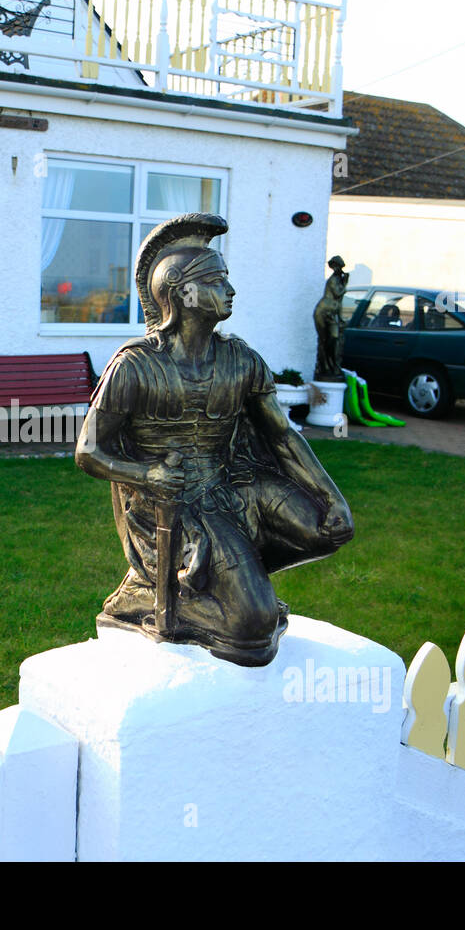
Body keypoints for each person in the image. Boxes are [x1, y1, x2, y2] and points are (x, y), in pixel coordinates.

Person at [75, 214, 353, 667]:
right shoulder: (135, 365)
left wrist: (331, 495)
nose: (231, 289)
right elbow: (88, 451)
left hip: (237, 487)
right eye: (217, 279)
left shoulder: (241, 359)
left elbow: (282, 437)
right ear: (181, 292)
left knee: (330, 527)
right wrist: (147, 473)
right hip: (177, 506)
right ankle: (199, 596)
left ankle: (230, 581)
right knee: (253, 634)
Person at [313, 255, 349, 380]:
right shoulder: (333, 280)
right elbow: (338, 293)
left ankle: (332, 367)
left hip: (331, 314)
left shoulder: (338, 280)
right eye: (337, 266)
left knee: (334, 339)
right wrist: (345, 284)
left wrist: (340, 318)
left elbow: (339, 303)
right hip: (322, 312)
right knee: (324, 340)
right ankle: (325, 367)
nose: (339, 269)